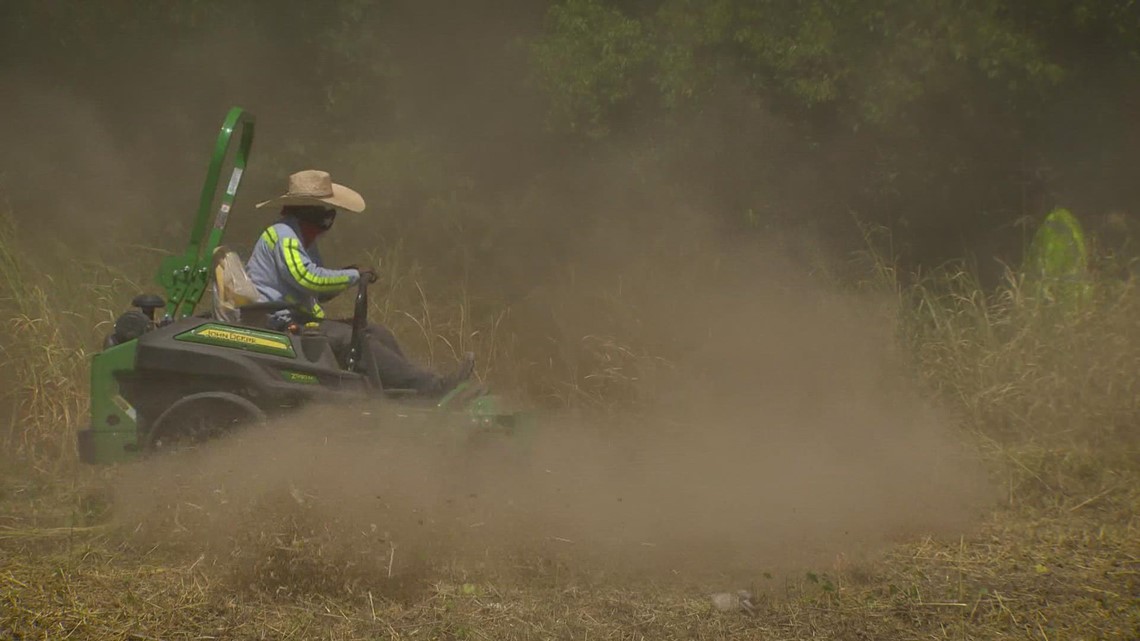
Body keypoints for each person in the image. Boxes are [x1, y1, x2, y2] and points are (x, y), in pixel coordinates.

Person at [244, 169, 474, 396]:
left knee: (375, 331)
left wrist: (347, 274)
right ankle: (432, 389)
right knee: (352, 340)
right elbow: (308, 279)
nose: (328, 215)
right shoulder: (285, 236)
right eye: (325, 209)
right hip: (280, 324)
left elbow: (316, 290)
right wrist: (354, 275)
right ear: (309, 210)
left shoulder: (300, 238)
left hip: (295, 317)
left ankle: (404, 390)